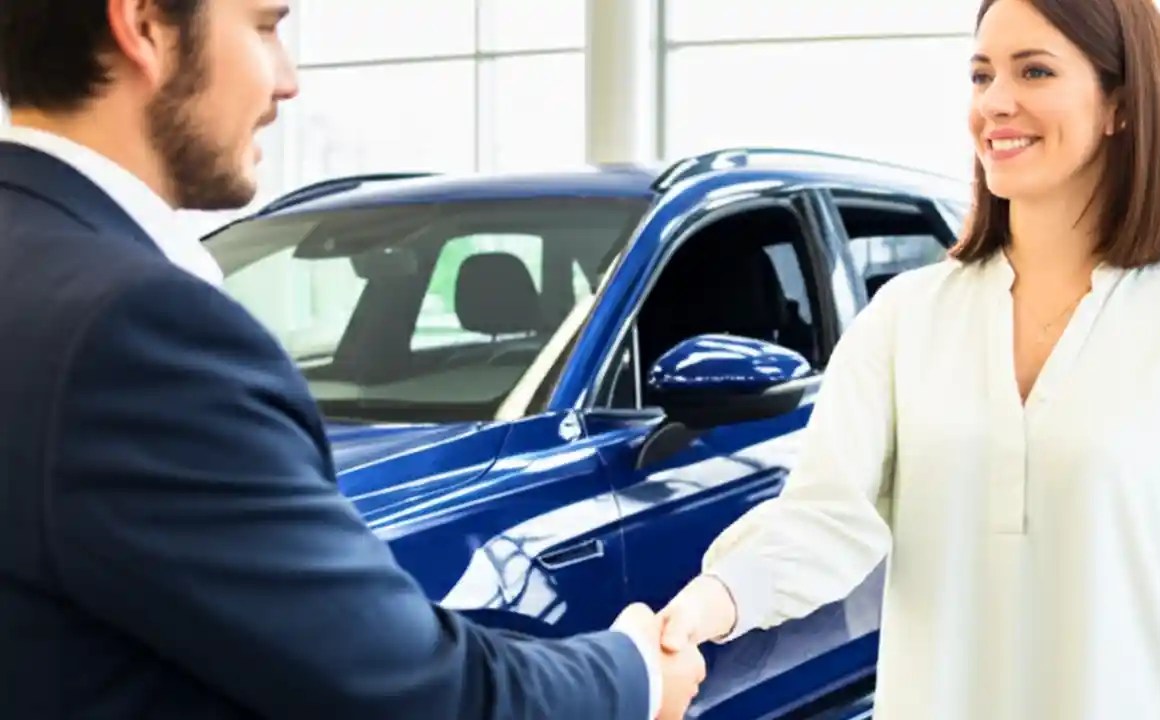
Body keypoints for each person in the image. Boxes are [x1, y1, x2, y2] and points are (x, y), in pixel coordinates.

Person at [0, 1, 705, 718]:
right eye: (264, 27)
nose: (288, 80)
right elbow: (422, 694)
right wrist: (637, 675)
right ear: (145, 25)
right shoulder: (140, 327)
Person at [658, 0, 1160, 717]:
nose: (996, 103)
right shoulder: (904, 317)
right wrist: (710, 602)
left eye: (1034, 71)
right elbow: (823, 519)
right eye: (982, 76)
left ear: (1120, 103)